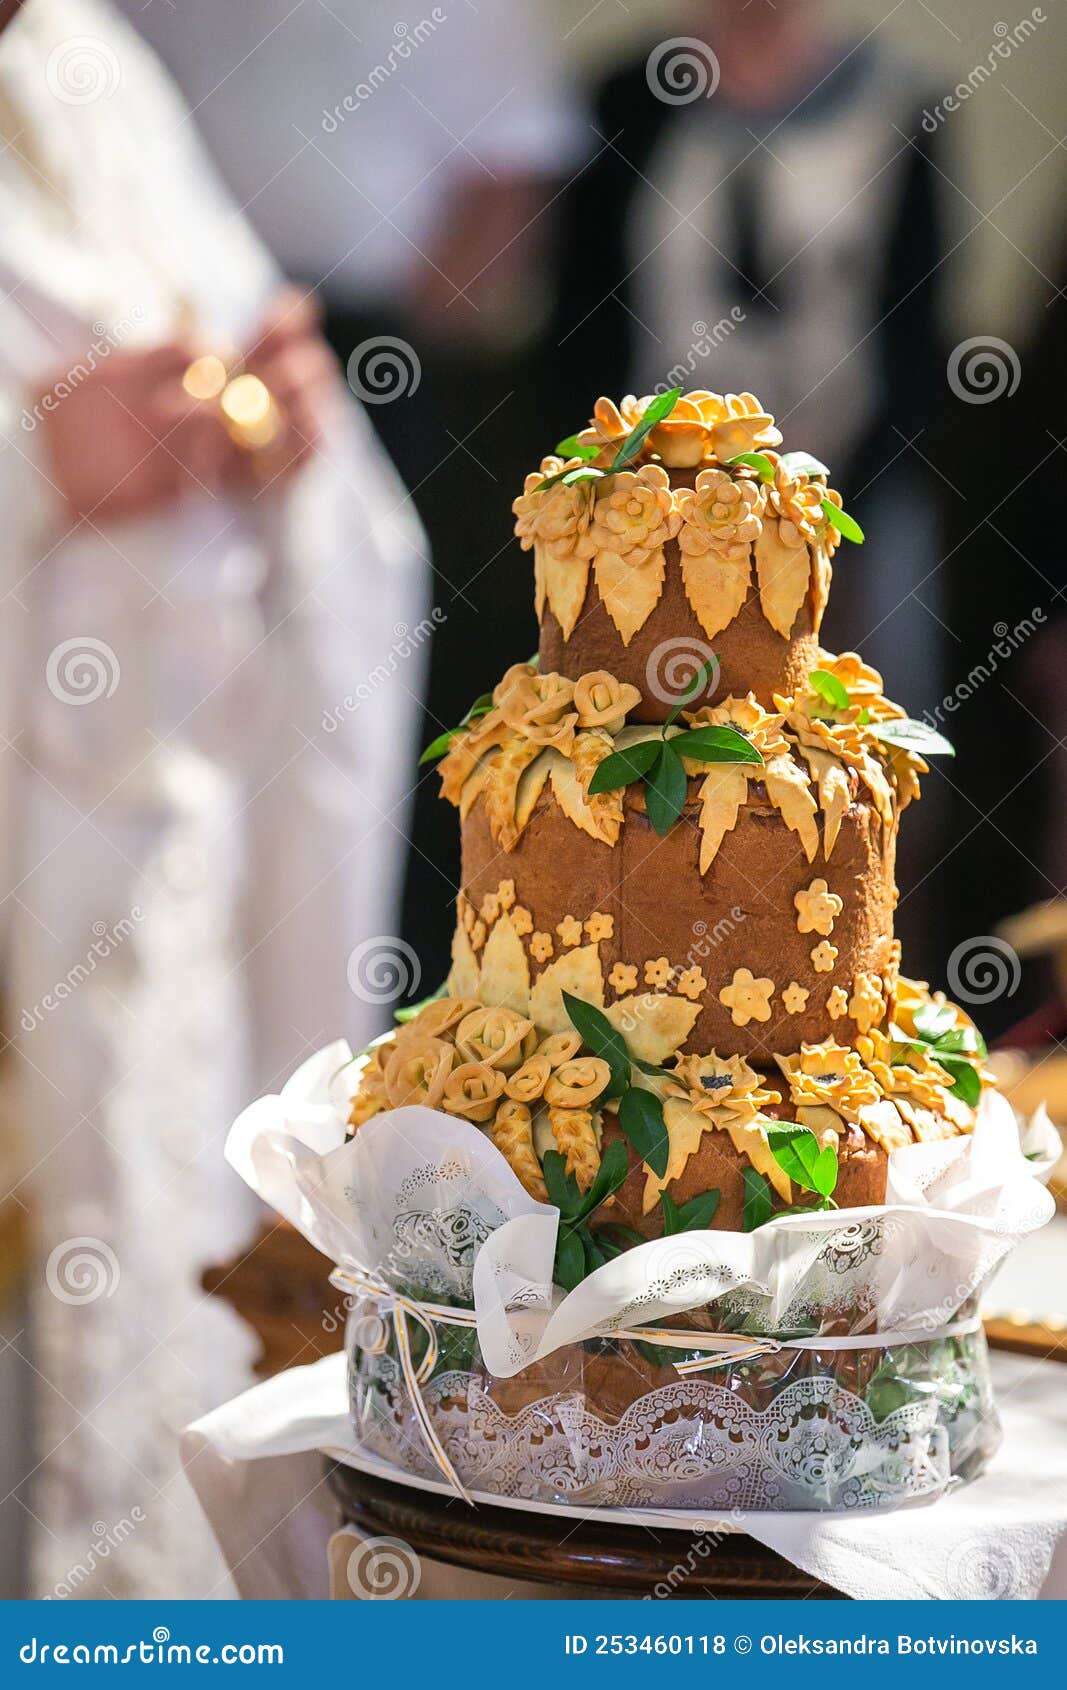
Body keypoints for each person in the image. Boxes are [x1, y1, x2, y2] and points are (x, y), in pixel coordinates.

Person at [0, 0, 426, 1596]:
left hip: (127, 911)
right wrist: (38, 460)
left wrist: (294, 443)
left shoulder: (84, 66)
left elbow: (352, 535)